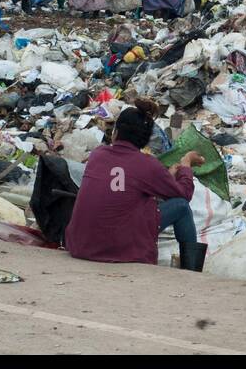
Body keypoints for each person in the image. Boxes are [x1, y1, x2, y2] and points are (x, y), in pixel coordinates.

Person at [63, 100, 206, 270]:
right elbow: (184, 194)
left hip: (81, 245)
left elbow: (123, 187)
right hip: (118, 248)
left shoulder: (97, 155)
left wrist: (168, 176)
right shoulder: (147, 164)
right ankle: (192, 270)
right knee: (181, 206)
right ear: (145, 140)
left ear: (115, 132)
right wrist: (186, 164)